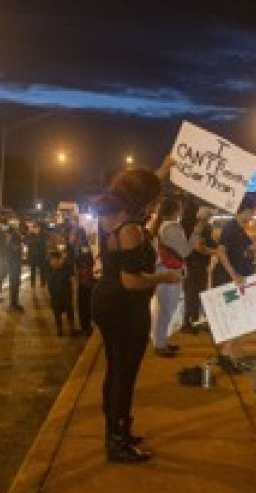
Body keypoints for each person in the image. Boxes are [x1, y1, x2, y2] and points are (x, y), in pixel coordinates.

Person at [92, 161, 181, 463]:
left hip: (106, 300)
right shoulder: (129, 230)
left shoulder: (112, 216)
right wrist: (166, 277)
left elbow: (134, 189)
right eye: (153, 198)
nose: (156, 204)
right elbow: (131, 281)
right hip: (124, 306)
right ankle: (118, 442)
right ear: (141, 200)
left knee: (115, 369)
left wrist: (164, 168)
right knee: (124, 374)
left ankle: (115, 432)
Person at [212, 200, 256, 373]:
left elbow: (255, 248)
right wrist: (234, 275)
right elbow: (221, 252)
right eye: (250, 213)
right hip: (228, 281)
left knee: (240, 319)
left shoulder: (240, 230)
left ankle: (230, 355)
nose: (251, 216)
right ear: (244, 211)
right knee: (237, 318)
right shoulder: (230, 228)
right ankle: (226, 356)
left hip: (236, 280)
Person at [151, 197, 191, 356]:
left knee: (166, 309)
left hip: (166, 271)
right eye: (180, 208)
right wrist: (198, 230)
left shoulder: (164, 225)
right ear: (174, 210)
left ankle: (161, 341)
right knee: (166, 310)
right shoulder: (170, 227)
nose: (181, 211)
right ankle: (160, 345)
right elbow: (185, 251)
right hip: (168, 272)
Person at [181, 205, 217, 334]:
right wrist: (214, 252)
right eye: (208, 216)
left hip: (201, 265)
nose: (209, 218)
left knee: (199, 294)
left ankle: (195, 321)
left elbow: (208, 243)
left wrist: (216, 248)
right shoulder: (195, 227)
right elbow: (198, 247)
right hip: (193, 265)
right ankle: (187, 323)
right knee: (192, 294)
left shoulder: (206, 227)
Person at [45, 249, 78, 336]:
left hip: (65, 294)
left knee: (69, 310)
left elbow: (71, 272)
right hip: (55, 295)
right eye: (51, 260)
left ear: (59, 260)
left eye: (54, 260)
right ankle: (59, 329)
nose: (52, 262)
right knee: (57, 312)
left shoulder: (65, 267)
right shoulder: (50, 269)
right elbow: (49, 283)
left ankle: (72, 328)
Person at [74, 241, 97, 336]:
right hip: (84, 285)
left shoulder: (86, 258)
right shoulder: (83, 258)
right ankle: (85, 327)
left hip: (87, 285)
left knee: (86, 306)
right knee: (84, 306)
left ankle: (87, 327)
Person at [5, 223, 26, 311]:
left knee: (14, 283)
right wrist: (20, 246)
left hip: (12, 263)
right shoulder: (16, 237)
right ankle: (14, 303)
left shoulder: (10, 238)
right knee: (15, 283)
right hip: (15, 263)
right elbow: (15, 248)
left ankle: (13, 303)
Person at [27, 222, 49, 289]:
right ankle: (33, 285)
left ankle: (43, 284)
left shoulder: (42, 235)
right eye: (35, 228)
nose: (36, 229)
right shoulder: (30, 235)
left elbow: (44, 244)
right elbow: (27, 242)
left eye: (37, 228)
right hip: (33, 256)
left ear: (39, 228)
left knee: (43, 270)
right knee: (32, 271)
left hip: (41, 255)